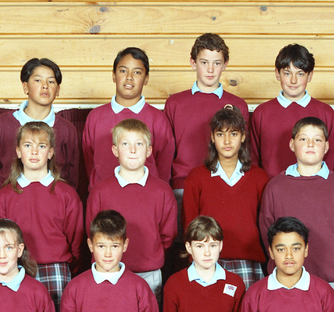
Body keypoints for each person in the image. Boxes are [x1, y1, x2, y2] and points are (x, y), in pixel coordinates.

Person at [258, 117, 334, 297]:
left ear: (326, 146)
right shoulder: (276, 186)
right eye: (303, 139)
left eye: (317, 140)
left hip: (331, 277)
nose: (310, 144)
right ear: (292, 144)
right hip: (286, 278)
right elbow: (267, 231)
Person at [0, 121, 84, 312]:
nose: (34, 152)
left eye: (41, 146)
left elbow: (76, 240)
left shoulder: (66, 194)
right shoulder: (6, 195)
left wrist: (67, 265)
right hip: (16, 269)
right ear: (18, 151)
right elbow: (0, 238)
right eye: (28, 146)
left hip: (56, 269)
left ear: (50, 152)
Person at [85, 118, 177, 296]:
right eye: (125, 144)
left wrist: (149, 255)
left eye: (139, 144)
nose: (133, 150)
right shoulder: (100, 191)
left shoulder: (162, 191)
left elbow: (168, 235)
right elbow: (91, 231)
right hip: (108, 271)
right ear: (115, 150)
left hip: (148, 273)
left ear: (149, 150)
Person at [182, 106, 270, 288]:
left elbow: (265, 225)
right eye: (221, 134)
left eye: (234, 133)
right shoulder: (196, 177)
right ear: (213, 138)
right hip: (207, 262)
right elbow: (189, 224)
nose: (227, 140)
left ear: (243, 137)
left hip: (248, 262)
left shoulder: (259, 177)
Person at [164, 33, 249, 193]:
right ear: (193, 63)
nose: (210, 69)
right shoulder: (175, 103)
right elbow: (166, 152)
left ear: (225, 64)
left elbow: (244, 151)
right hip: (183, 185)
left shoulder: (238, 105)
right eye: (204, 62)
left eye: (217, 63)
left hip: (226, 184)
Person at [82, 47, 174, 186]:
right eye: (123, 71)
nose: (129, 77)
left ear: (146, 78)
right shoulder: (95, 117)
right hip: (104, 198)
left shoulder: (158, 119)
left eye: (137, 72)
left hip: (146, 198)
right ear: (114, 75)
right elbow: (89, 164)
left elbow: (164, 169)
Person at [0, 58, 79, 192]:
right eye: (38, 80)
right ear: (25, 86)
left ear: (58, 90)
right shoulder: (2, 124)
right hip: (9, 203)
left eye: (51, 81)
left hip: (53, 204)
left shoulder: (67, 129)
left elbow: (72, 177)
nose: (45, 86)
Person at [249, 43, 334, 173]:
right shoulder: (262, 112)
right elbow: (253, 158)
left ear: (310, 75)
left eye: (300, 74)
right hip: (272, 189)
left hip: (315, 189)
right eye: (287, 73)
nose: (293, 80)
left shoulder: (325, 112)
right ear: (277, 74)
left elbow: (331, 157)